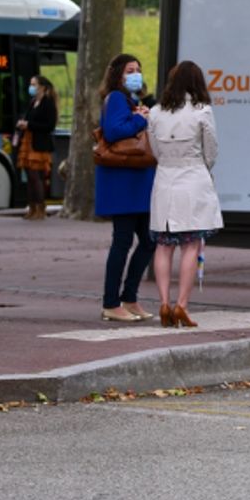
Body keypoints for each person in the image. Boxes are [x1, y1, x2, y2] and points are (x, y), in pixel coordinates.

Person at [147, 60, 223, 328]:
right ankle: (182, 305)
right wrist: (200, 166)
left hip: (164, 181)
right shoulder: (202, 111)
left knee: (163, 245)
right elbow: (211, 150)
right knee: (190, 245)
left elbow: (154, 150)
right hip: (192, 180)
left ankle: (163, 303)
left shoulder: (155, 112)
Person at [95, 53, 156, 322]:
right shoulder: (117, 99)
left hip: (136, 183)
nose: (136, 74)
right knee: (122, 241)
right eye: (130, 69)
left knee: (148, 240)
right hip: (123, 183)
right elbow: (113, 131)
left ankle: (129, 298)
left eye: (138, 69)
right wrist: (141, 118)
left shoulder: (133, 101)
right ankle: (111, 302)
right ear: (118, 74)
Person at [15, 75, 58, 220]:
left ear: (42, 87)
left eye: (34, 84)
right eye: (30, 84)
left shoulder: (48, 103)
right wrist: (23, 123)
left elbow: (49, 126)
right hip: (28, 141)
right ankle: (32, 207)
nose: (31, 87)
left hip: (39, 144)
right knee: (30, 177)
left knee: (36, 176)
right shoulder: (33, 102)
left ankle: (40, 207)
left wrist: (29, 125)